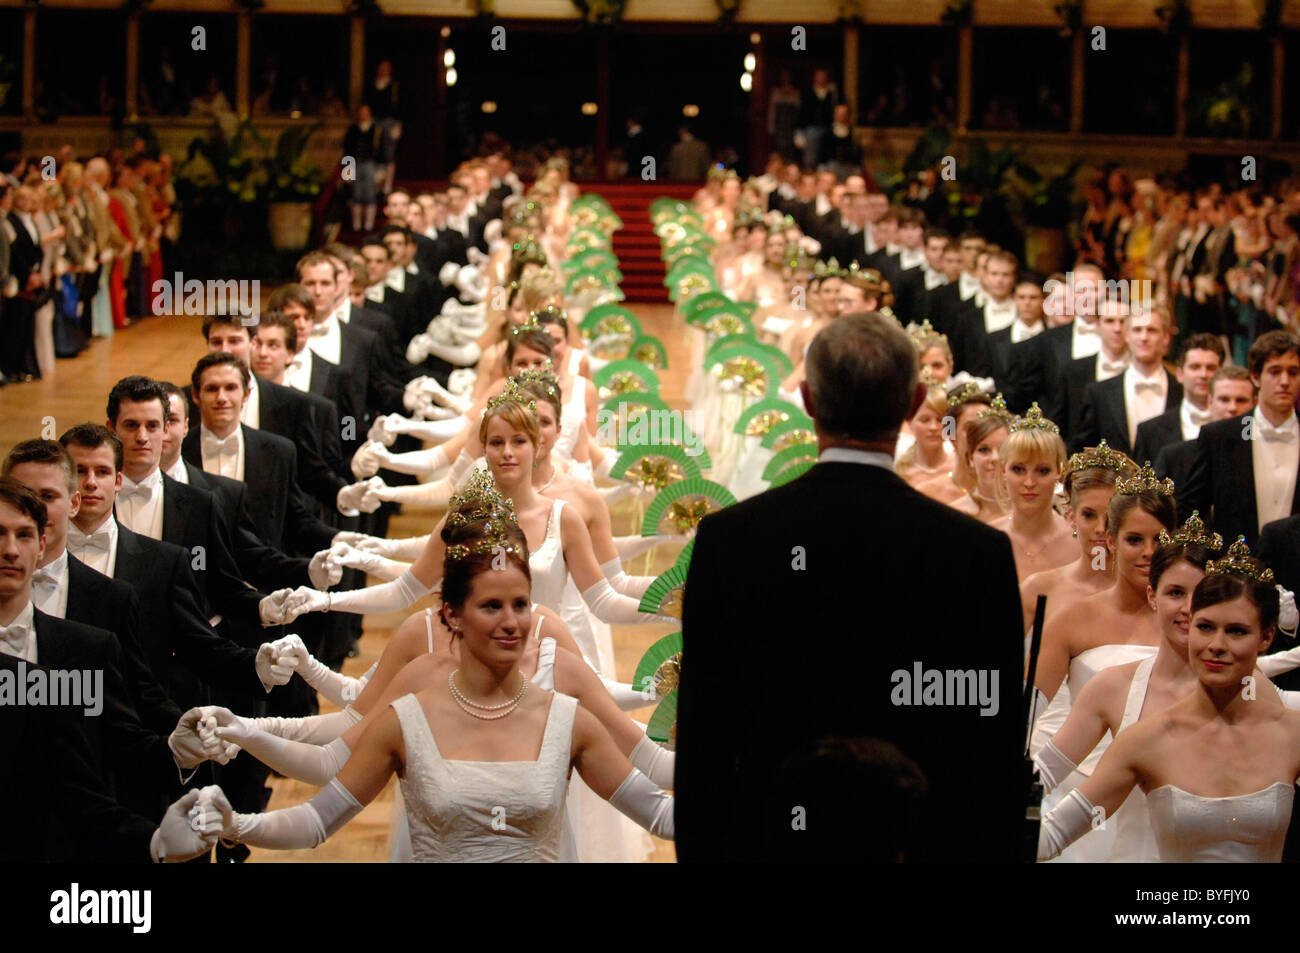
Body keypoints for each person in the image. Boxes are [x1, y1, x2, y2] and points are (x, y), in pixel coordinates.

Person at [677, 312, 1024, 861]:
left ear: (810, 400)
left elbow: (705, 739)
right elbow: (994, 746)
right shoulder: (975, 555)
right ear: (913, 405)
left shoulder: (732, 541)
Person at [190, 499, 674, 862]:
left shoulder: (568, 714)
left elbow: (659, 812)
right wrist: (239, 819)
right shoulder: (411, 707)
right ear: (453, 615)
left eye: (522, 604)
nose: (513, 622)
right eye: (491, 606)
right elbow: (317, 812)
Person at [1038, 538, 1299, 862]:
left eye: (1235, 631)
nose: (1216, 644)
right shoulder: (1145, 739)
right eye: (1205, 627)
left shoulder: (1291, 730)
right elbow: (1051, 834)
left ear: (1266, 637)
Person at [1183, 330, 1300, 546]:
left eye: (1293, 372)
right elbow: (1192, 510)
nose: (1285, 381)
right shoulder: (1220, 437)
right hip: (1233, 571)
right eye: (1275, 371)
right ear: (1255, 377)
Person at [992, 404, 1075, 581]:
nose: (1029, 483)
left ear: (1059, 471)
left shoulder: (1080, 543)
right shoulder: (987, 540)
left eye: (1042, 471)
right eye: (1018, 469)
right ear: (1003, 470)